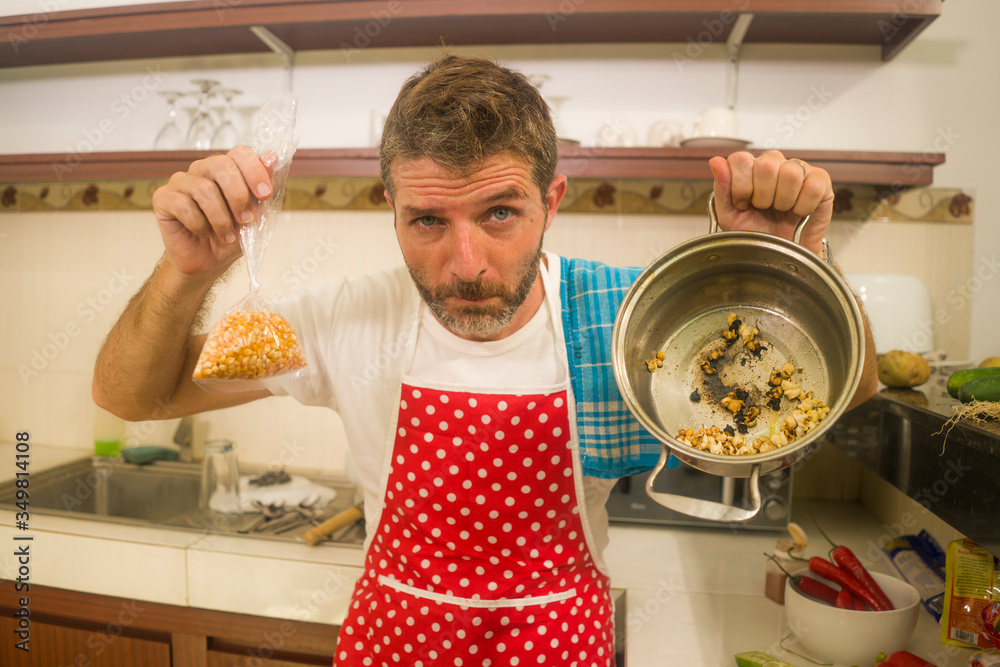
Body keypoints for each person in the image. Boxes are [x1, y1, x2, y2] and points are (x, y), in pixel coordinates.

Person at [93, 55, 877, 666]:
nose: (465, 262)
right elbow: (136, 395)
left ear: (553, 200)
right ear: (391, 210)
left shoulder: (621, 322)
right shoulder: (347, 318)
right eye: (428, 219)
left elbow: (853, 391)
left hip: (558, 643)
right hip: (393, 642)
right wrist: (188, 269)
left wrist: (782, 264)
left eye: (500, 212)